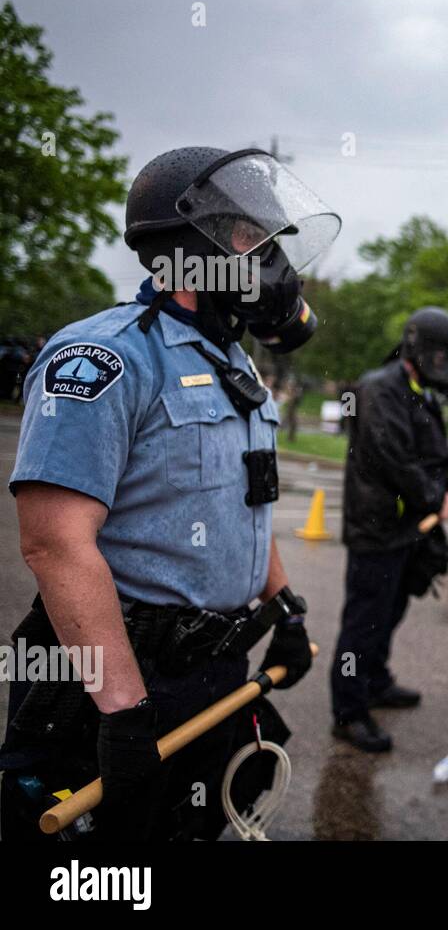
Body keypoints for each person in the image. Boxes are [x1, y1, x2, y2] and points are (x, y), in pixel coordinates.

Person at [1, 146, 335, 840]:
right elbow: (55, 545)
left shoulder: (231, 360)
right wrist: (122, 710)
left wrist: (284, 605)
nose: (270, 257)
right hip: (115, 678)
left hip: (212, 672)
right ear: (191, 246)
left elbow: (245, 502)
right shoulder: (105, 357)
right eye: (251, 238)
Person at [331, 307, 448, 752]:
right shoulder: (380, 388)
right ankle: (348, 712)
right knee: (363, 621)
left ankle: (376, 680)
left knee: (391, 612)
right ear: (418, 351)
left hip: (407, 527)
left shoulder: (418, 390)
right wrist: (434, 495)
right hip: (376, 527)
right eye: (441, 355)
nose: (447, 365)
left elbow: (433, 456)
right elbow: (392, 459)